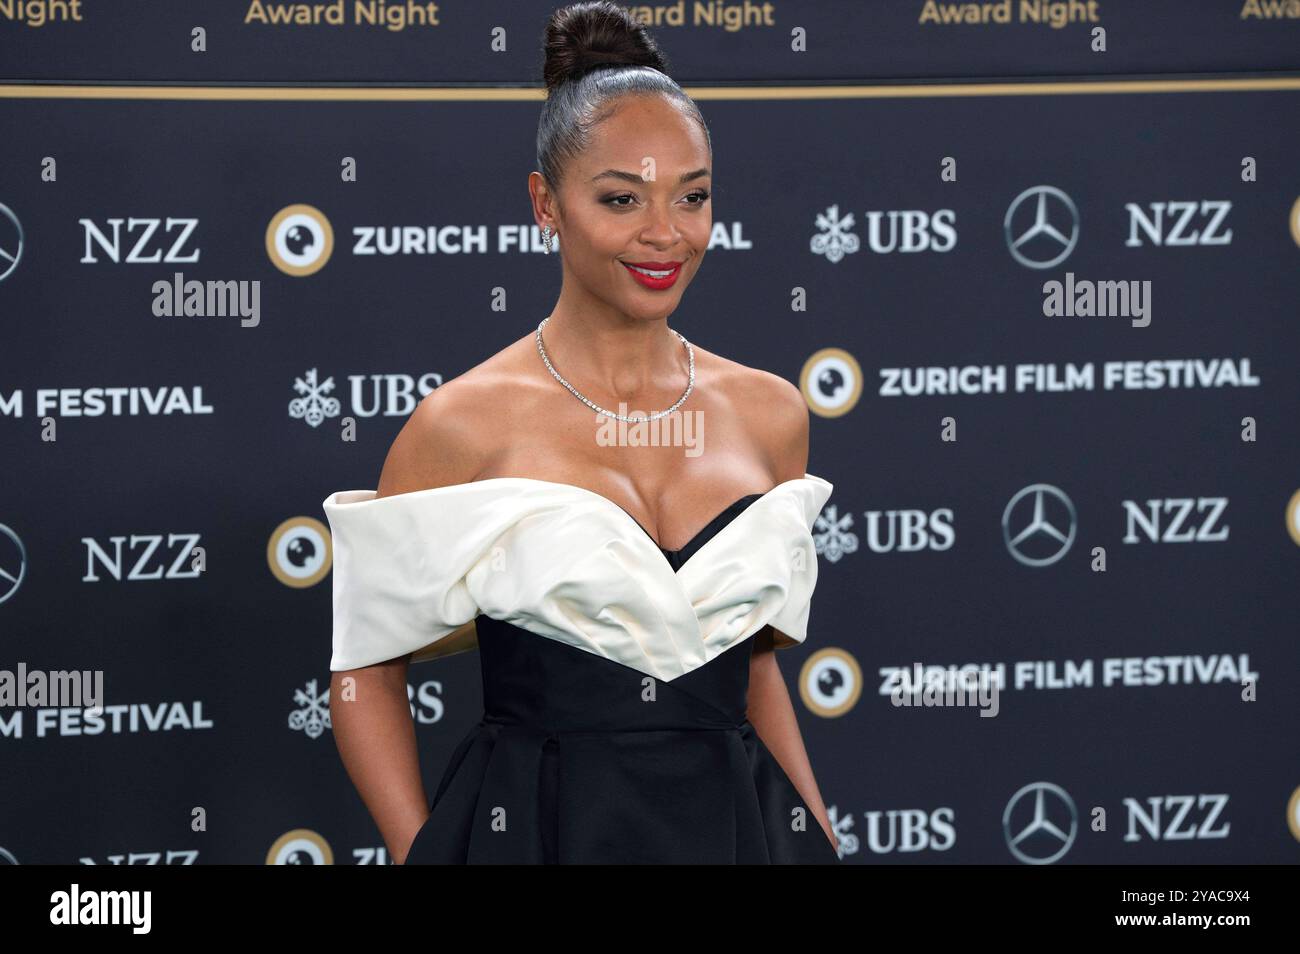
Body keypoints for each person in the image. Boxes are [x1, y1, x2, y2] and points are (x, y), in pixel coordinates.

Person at [324, 0, 838, 864]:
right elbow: (365, 673)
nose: (665, 234)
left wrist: (816, 839)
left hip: (737, 832)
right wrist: (427, 853)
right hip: (535, 833)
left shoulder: (770, 413)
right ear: (546, 205)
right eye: (621, 198)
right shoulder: (463, 424)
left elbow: (753, 670)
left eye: (694, 196)